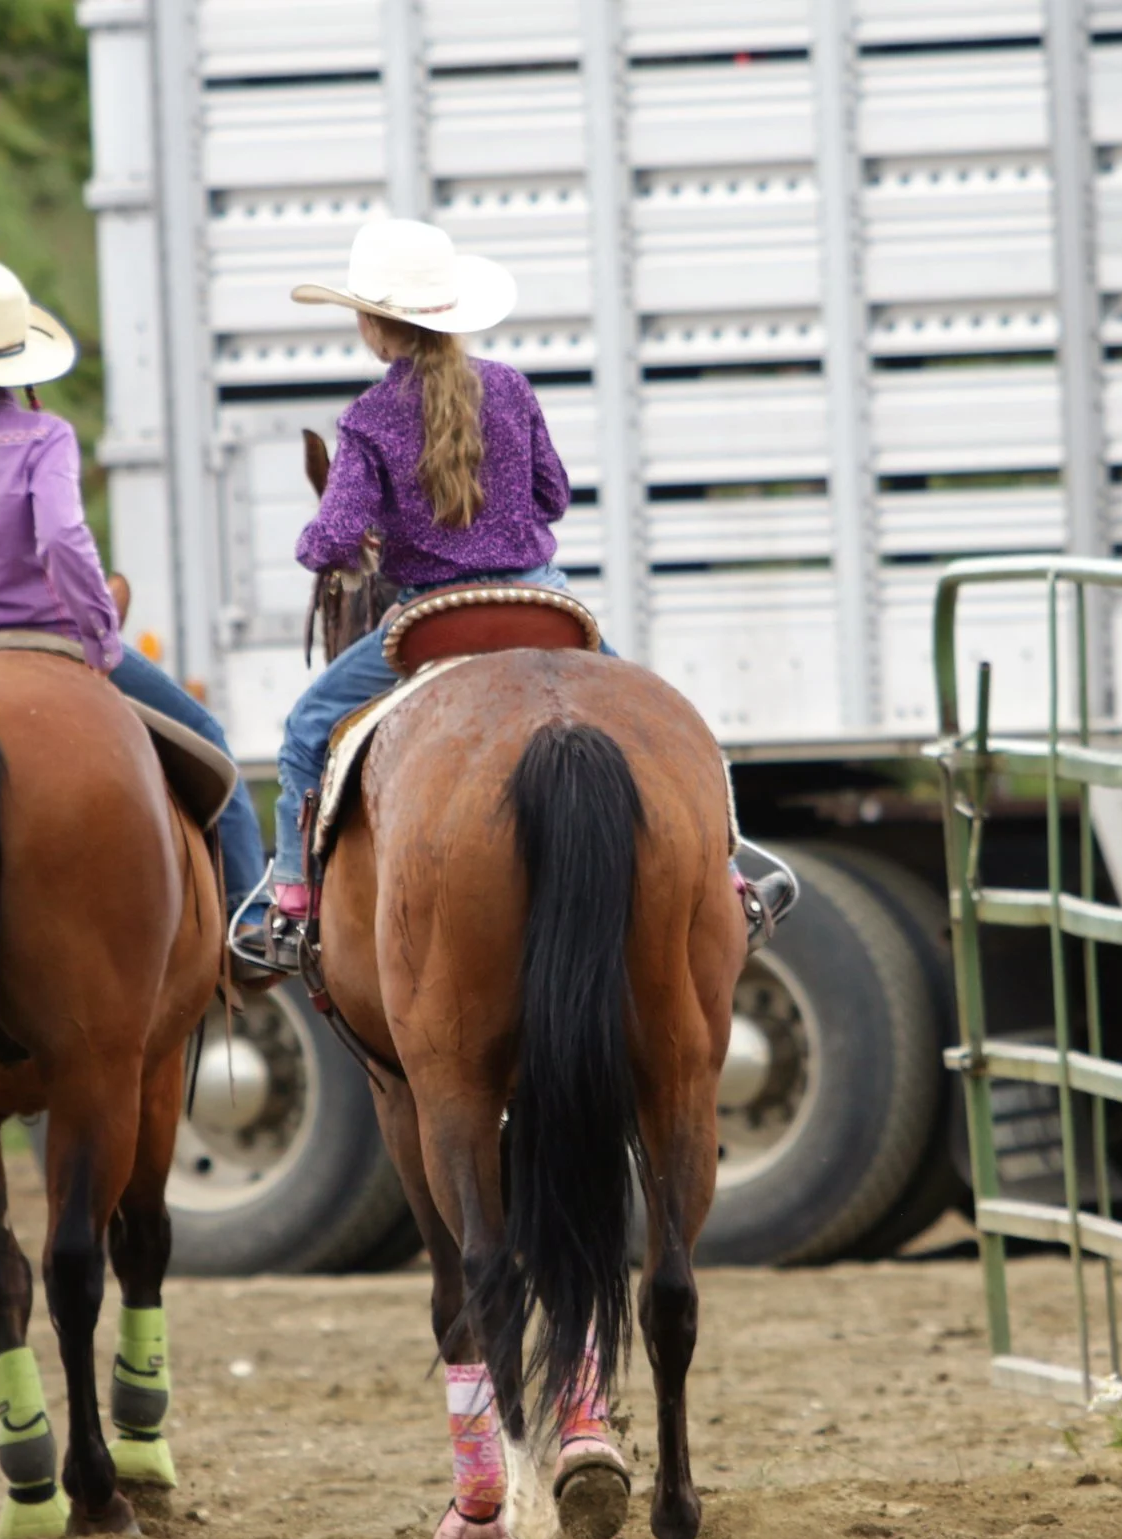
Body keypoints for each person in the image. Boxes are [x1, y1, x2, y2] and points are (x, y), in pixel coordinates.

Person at [229, 219, 793, 976]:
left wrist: (333, 545)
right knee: (665, 718)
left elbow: (330, 540)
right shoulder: (509, 387)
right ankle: (728, 877)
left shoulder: (367, 420)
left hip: (433, 618)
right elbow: (553, 496)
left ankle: (291, 905)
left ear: (373, 325)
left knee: (305, 731)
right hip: (542, 604)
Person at [0, 254, 270, 931]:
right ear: (19, 361)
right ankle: (249, 916)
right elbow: (63, 539)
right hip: (52, 639)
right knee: (207, 738)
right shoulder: (48, 437)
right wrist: (99, 636)